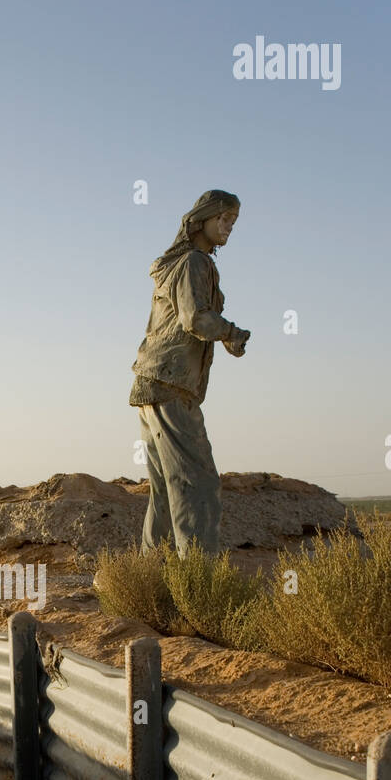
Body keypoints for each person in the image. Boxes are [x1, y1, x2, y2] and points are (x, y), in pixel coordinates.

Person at [129, 189, 250, 556]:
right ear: (204, 219)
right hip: (171, 383)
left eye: (234, 221)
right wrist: (230, 332)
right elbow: (195, 318)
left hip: (151, 383)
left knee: (167, 488)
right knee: (197, 485)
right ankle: (200, 582)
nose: (229, 227)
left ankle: (153, 580)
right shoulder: (195, 262)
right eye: (224, 219)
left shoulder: (177, 262)